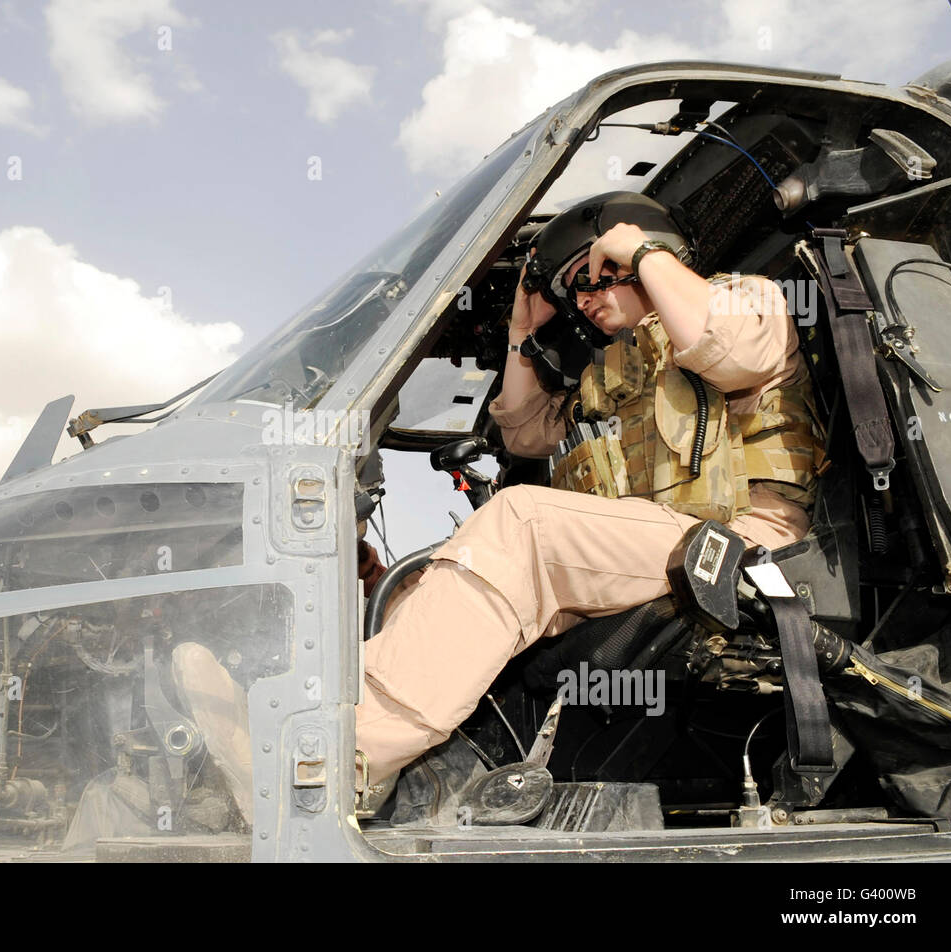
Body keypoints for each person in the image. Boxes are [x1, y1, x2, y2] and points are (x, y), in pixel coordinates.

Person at [354, 191, 826, 792]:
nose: (584, 299)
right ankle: (358, 745)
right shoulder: (611, 375)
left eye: (599, 276)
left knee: (523, 524)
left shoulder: (744, 298)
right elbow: (523, 433)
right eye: (573, 290)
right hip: (658, 548)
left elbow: (726, 351)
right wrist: (523, 332)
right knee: (421, 586)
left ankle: (351, 759)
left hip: (745, 541)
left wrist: (646, 250)